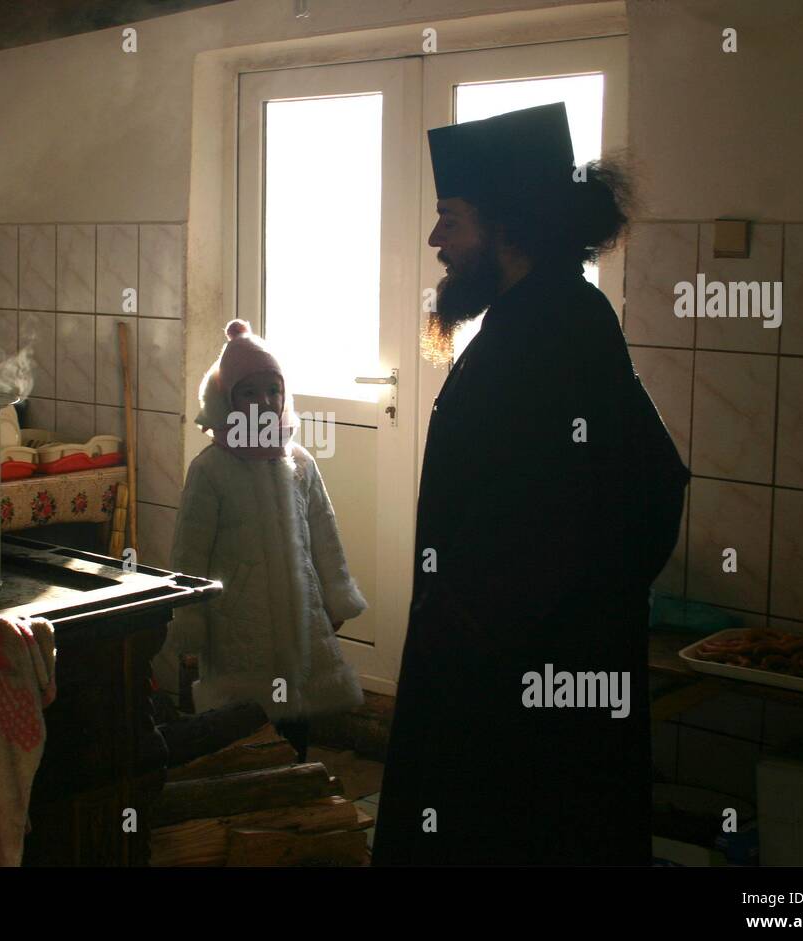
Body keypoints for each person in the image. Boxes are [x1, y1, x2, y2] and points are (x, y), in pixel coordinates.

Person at [372, 103, 689, 865]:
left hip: (523, 689)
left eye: (450, 217)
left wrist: (504, 633)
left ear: (507, 223)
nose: (435, 240)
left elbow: (644, 490)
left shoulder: (560, 327)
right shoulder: (532, 317)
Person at [168, 320, 367, 761]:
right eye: (249, 393)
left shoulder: (299, 463)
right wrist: (191, 626)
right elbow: (189, 555)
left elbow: (325, 536)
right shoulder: (210, 470)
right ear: (225, 401)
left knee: (296, 719)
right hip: (238, 623)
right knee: (246, 729)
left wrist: (337, 599)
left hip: (301, 618)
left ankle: (294, 794)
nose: (264, 402)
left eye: (272, 391)